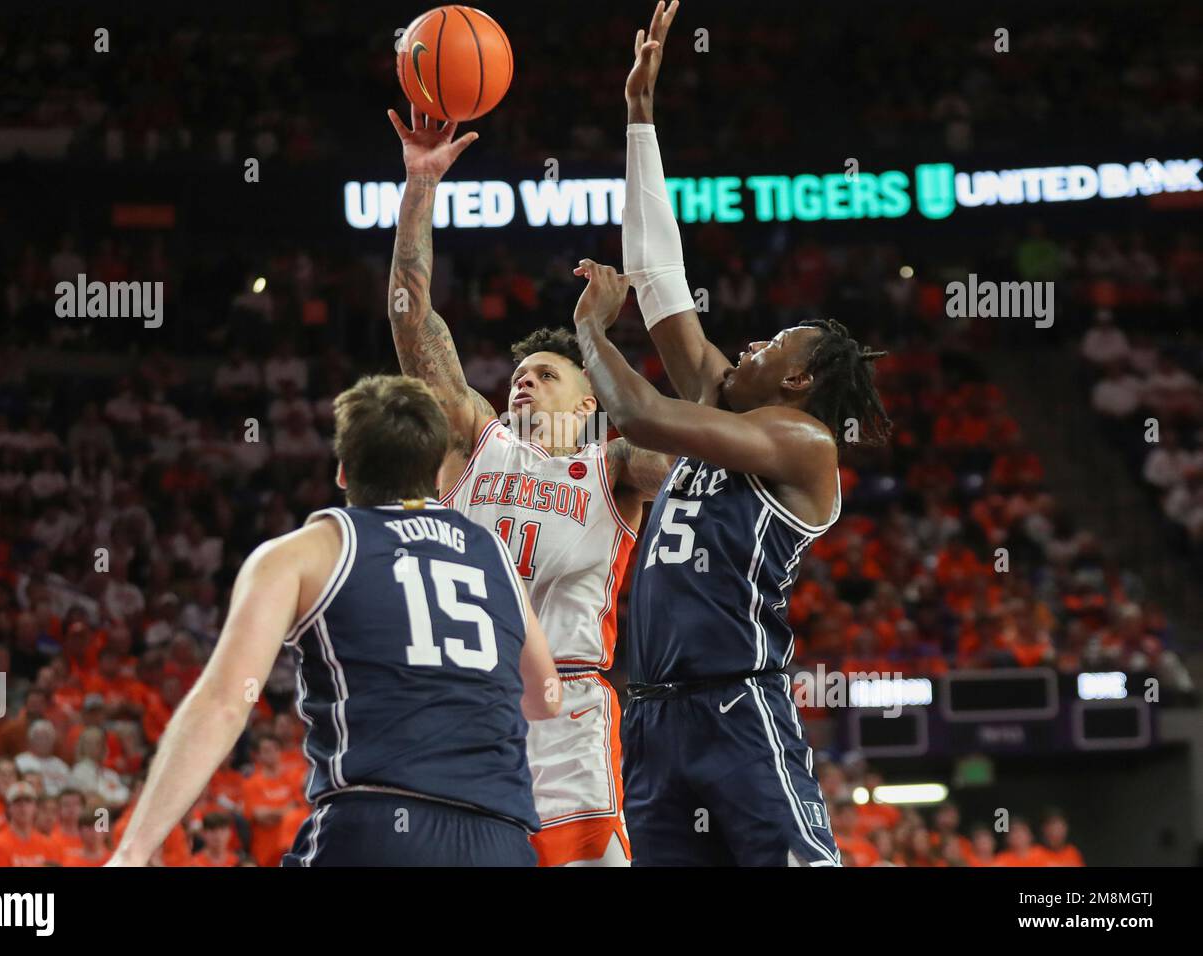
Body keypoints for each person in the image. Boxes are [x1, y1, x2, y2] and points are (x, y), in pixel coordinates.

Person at [563, 1, 891, 865]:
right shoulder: (727, 406)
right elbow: (658, 274)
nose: (745, 341)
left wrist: (591, 332)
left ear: (797, 379)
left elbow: (638, 414)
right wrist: (640, 120)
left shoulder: (800, 444)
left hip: (737, 707)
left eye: (771, 341)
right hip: (654, 712)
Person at [107, 376, 559, 866]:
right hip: (501, 839)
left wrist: (131, 852)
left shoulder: (310, 550)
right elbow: (544, 697)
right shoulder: (492, 553)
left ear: (343, 471)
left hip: (378, 827)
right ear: (434, 472)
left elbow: (223, 704)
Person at [385, 102, 672, 868]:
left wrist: (596, 339)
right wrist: (419, 187)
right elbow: (416, 326)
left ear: (588, 402)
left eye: (544, 375)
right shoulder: (475, 443)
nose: (522, 383)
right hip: (461, 704)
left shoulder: (613, 465)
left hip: (570, 716)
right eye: (516, 375)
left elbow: (693, 457)